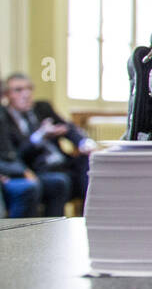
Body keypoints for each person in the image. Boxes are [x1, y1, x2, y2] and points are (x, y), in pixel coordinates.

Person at [3, 73, 92, 202]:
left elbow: (68, 128)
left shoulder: (42, 108)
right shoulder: (4, 118)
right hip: (37, 167)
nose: (26, 94)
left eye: (29, 89)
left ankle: (90, 214)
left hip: (61, 162)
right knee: (59, 181)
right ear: (7, 95)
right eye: (18, 90)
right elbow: (16, 154)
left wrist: (84, 143)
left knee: (89, 161)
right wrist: (41, 135)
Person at [0, 117, 70, 218]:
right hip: (10, 172)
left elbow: (9, 153)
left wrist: (23, 170)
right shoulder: (5, 115)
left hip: (16, 169)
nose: (27, 100)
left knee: (59, 182)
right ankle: (18, 232)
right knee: (29, 187)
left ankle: (49, 228)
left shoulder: (30, 116)